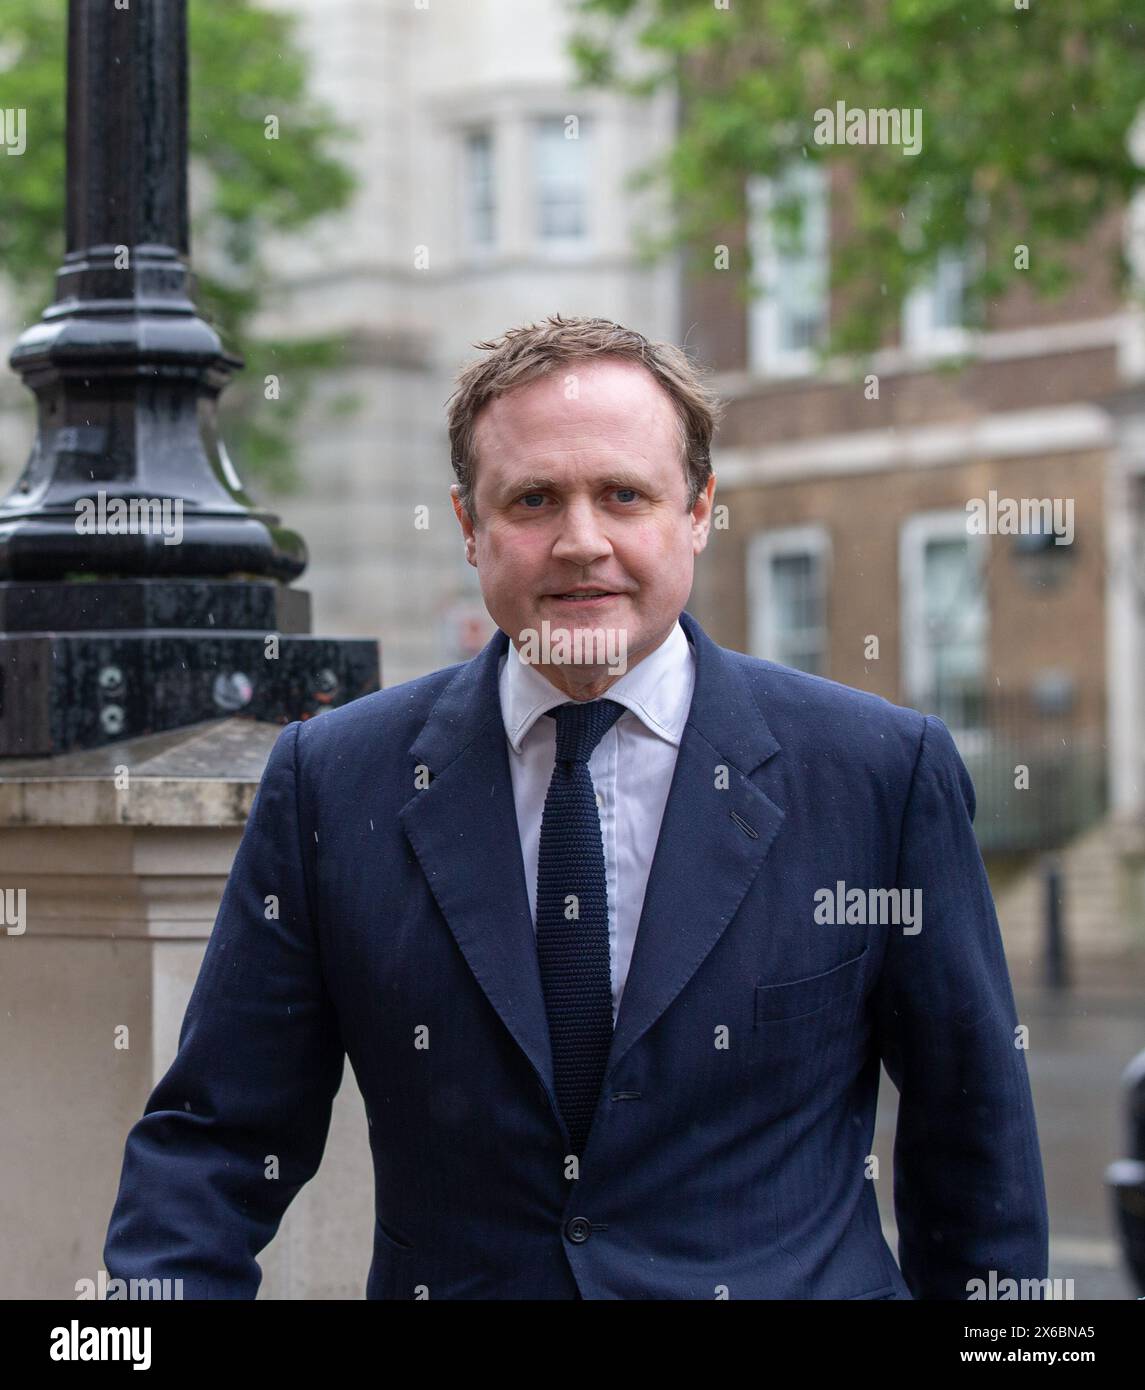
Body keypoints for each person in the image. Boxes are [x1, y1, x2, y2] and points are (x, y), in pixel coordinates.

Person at [104, 313, 1048, 1299]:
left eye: (623, 494)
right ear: (468, 525)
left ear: (696, 511)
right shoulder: (332, 783)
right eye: (533, 499)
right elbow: (216, 1144)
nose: (579, 541)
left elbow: (973, 1150)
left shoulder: (875, 773)